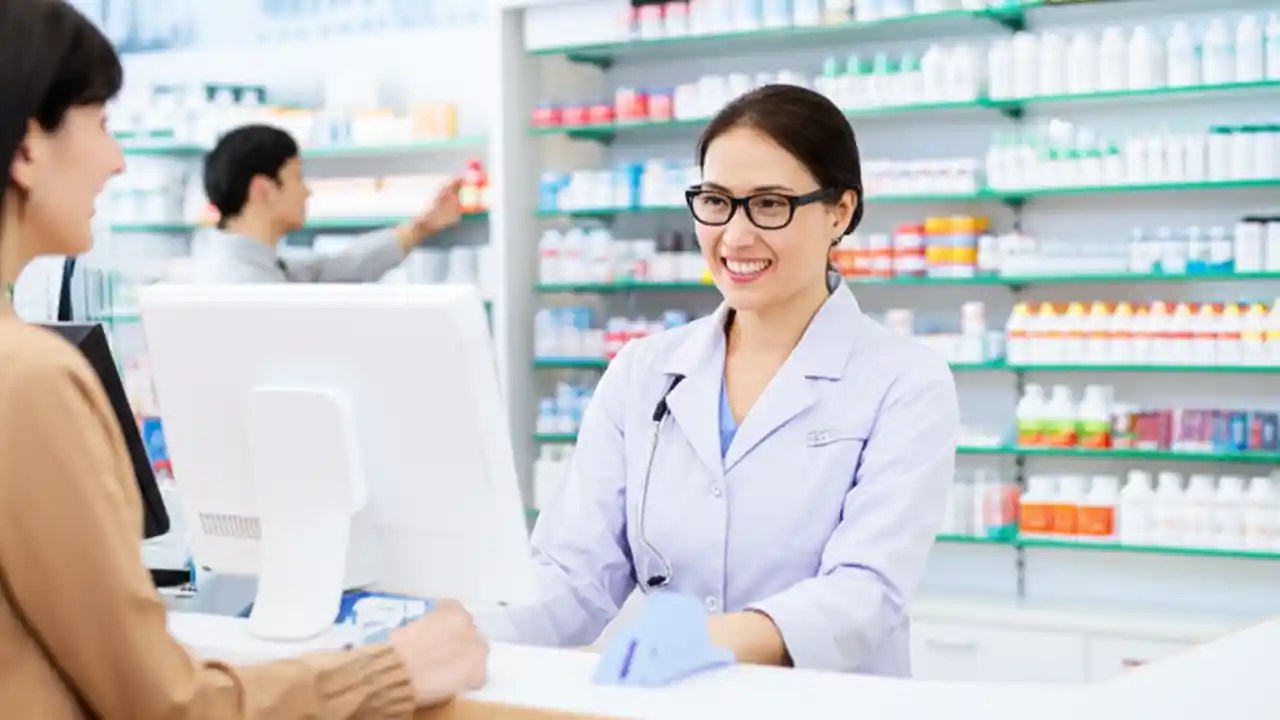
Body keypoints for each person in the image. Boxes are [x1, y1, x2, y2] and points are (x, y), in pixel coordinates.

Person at [0, 2, 487, 717]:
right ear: (28, 147)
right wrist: (390, 671)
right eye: (101, 122)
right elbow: (162, 705)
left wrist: (417, 228)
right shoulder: (30, 378)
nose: (118, 159)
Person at [479, 84, 958, 676]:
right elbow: (573, 576)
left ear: (840, 212)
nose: (734, 236)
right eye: (716, 201)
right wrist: (464, 628)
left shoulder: (903, 381)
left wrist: (710, 641)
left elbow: (864, 593)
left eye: (770, 204)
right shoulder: (642, 373)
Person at [190, 123, 463, 283]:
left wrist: (424, 226)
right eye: (297, 177)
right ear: (263, 189)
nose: (306, 192)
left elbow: (343, 266)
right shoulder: (237, 283)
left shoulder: (268, 267)